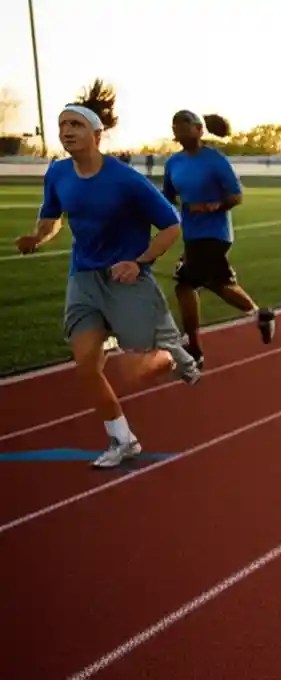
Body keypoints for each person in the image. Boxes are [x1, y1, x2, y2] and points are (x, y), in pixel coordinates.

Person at [13, 87, 200, 469]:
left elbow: (170, 226)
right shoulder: (58, 172)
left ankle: (174, 350)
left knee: (149, 358)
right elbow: (51, 219)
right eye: (63, 124)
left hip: (126, 277)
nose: (67, 131)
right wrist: (38, 237)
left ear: (96, 135)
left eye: (76, 124)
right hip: (83, 278)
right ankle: (121, 438)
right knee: (86, 364)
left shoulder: (125, 180)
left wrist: (139, 261)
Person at [163, 110, 276, 367]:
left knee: (186, 283)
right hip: (192, 234)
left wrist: (212, 206)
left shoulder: (215, 160)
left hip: (216, 233)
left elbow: (236, 196)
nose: (180, 132)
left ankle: (195, 348)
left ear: (199, 130)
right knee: (215, 282)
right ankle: (260, 315)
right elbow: (168, 196)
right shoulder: (173, 163)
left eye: (185, 126)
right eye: (176, 127)